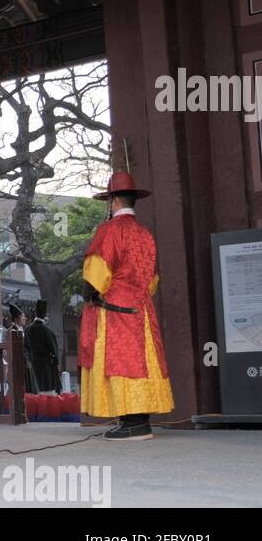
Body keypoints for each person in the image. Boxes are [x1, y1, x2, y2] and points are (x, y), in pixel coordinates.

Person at [79, 172, 174, 441]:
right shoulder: (145, 235)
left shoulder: (109, 231)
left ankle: (132, 424)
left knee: (120, 363)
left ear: (114, 201)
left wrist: (89, 296)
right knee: (143, 362)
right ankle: (138, 421)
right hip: (142, 310)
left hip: (114, 311)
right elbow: (152, 280)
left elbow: (96, 274)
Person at [24, 299, 60, 393]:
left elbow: (25, 347)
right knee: (48, 392)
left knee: (36, 390)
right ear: (45, 315)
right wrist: (56, 361)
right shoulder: (47, 331)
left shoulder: (28, 330)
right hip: (46, 365)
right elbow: (54, 350)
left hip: (33, 363)